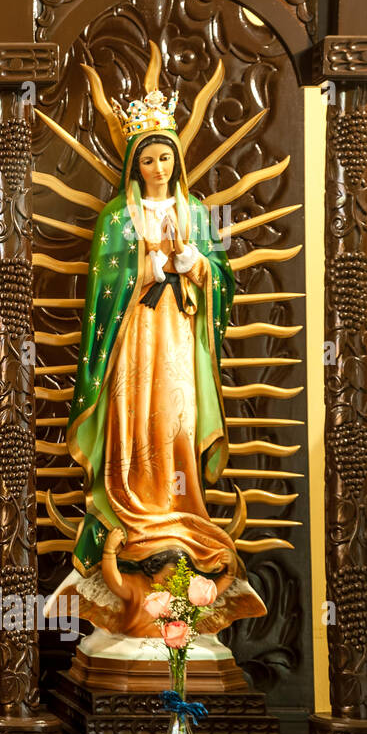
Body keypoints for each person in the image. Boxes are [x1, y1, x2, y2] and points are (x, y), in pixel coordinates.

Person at [62, 88, 265, 634]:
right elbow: (102, 286)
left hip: (178, 339)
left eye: (164, 156)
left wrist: (197, 263)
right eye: (147, 157)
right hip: (132, 336)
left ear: (176, 160)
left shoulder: (195, 212)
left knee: (176, 420)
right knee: (132, 422)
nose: (156, 166)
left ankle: (180, 514)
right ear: (135, 162)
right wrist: (142, 273)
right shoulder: (116, 217)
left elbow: (224, 286)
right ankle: (131, 508)